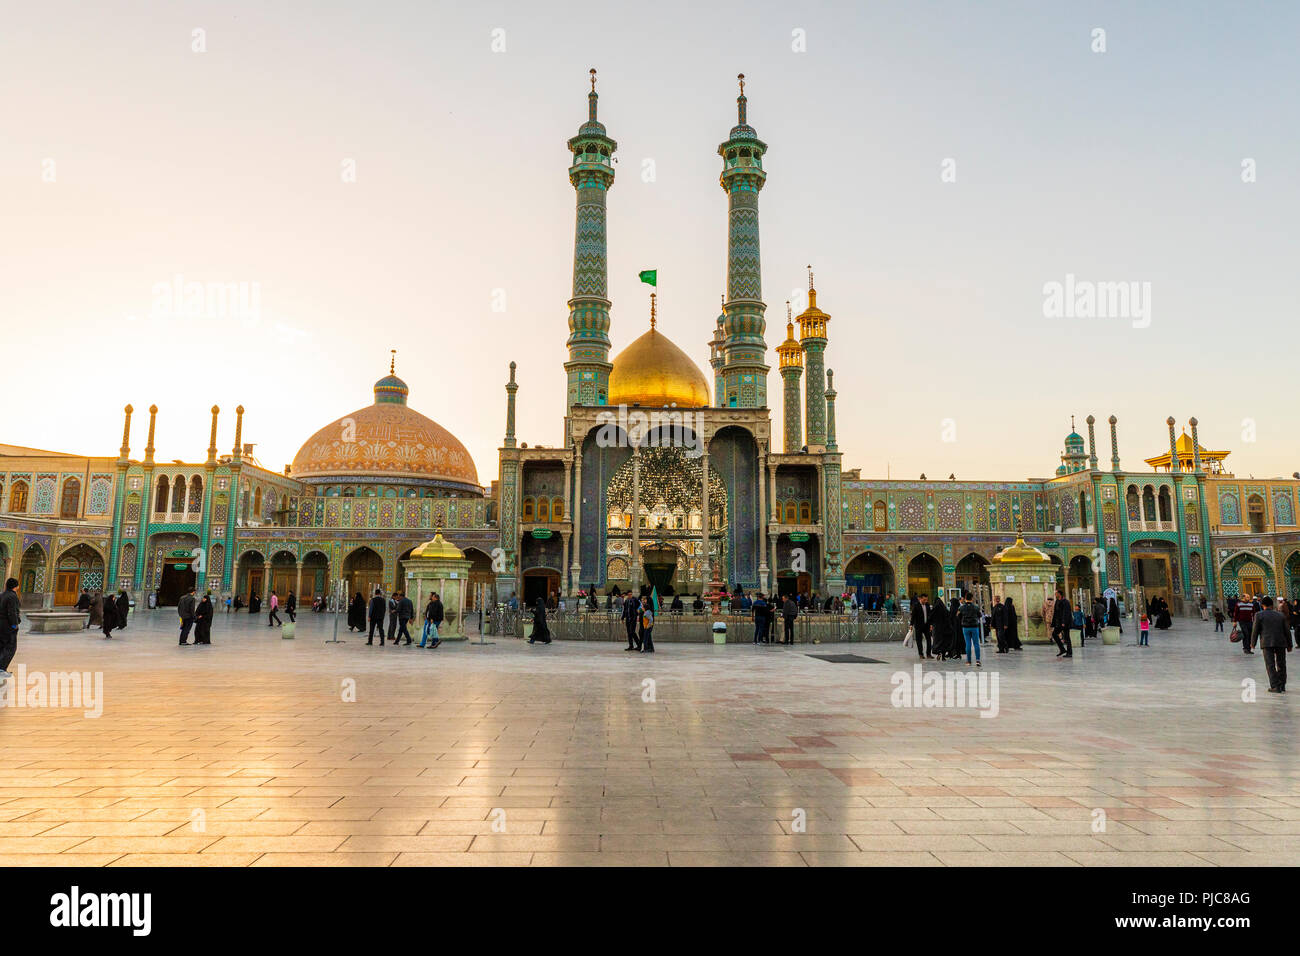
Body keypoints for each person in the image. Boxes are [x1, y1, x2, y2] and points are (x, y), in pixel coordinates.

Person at [1253, 596, 1292, 693]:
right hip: (1281, 642)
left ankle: (1275, 686)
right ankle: (1282, 685)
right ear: (1272, 605)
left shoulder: (1259, 615)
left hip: (1267, 642)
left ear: (1262, 605)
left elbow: (1255, 631)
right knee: (1281, 664)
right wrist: (1289, 644)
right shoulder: (1280, 615)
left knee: (1270, 665)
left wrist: (1252, 643)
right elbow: (1287, 631)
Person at [0, 578, 20, 683]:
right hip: (8, 626)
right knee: (10, 647)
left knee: (2, 646)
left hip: (1, 624)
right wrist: (14, 624)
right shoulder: (12, 596)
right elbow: (12, 611)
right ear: (16, 586)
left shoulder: (2, 594)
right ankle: (2, 668)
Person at [958, 592, 982, 667]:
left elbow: (959, 616)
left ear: (965, 599)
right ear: (972, 598)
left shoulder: (961, 607)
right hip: (974, 627)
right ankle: (977, 660)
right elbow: (980, 615)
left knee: (968, 643)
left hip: (965, 627)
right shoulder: (976, 607)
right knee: (976, 643)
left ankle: (968, 661)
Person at [1051, 588, 1073, 659]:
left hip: (1065, 622)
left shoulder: (1065, 602)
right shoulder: (1057, 601)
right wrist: (1053, 623)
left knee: (1067, 637)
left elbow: (1066, 613)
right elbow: (1055, 613)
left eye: (1056, 593)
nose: (1055, 594)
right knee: (1054, 634)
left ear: (1059, 594)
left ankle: (1069, 653)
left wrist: (1064, 622)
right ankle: (1062, 649)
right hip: (1059, 622)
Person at [909, 594, 933, 660]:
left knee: (929, 639)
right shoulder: (916, 606)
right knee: (919, 640)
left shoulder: (927, 605)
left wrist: (931, 624)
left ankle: (928, 654)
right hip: (918, 626)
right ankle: (921, 654)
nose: (925, 601)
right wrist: (911, 625)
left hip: (926, 625)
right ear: (920, 599)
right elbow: (913, 616)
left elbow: (929, 615)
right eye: (924, 600)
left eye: (926, 600)